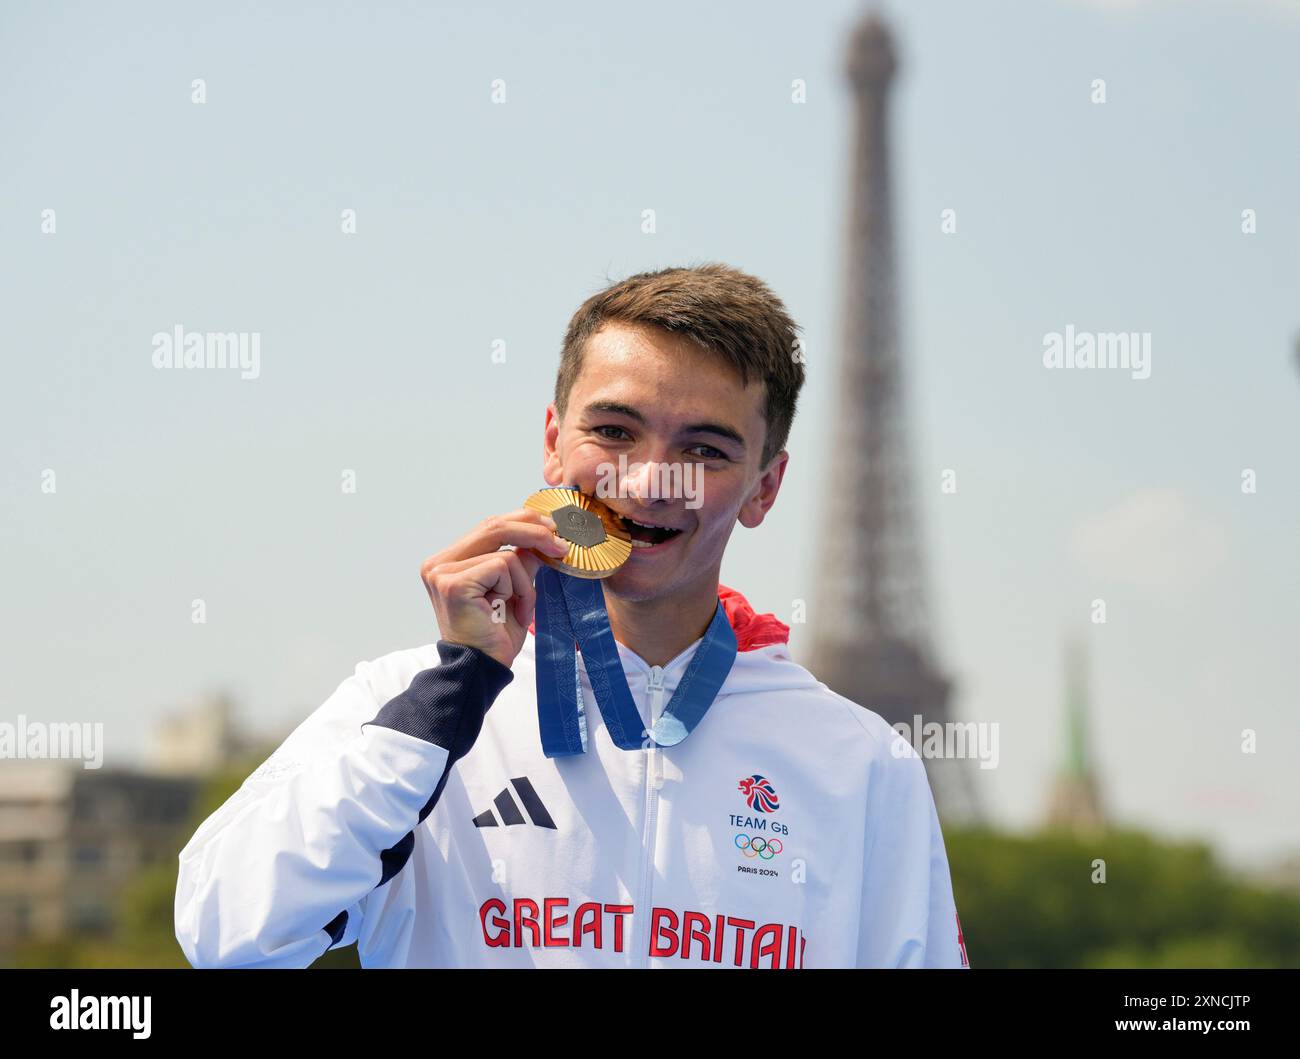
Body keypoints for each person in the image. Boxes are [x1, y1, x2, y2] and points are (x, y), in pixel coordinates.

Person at [174, 263, 969, 968]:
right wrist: (455, 690)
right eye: (614, 431)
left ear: (765, 487)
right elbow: (227, 934)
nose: (652, 481)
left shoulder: (861, 764)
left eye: (705, 450)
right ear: (554, 444)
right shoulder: (406, 709)